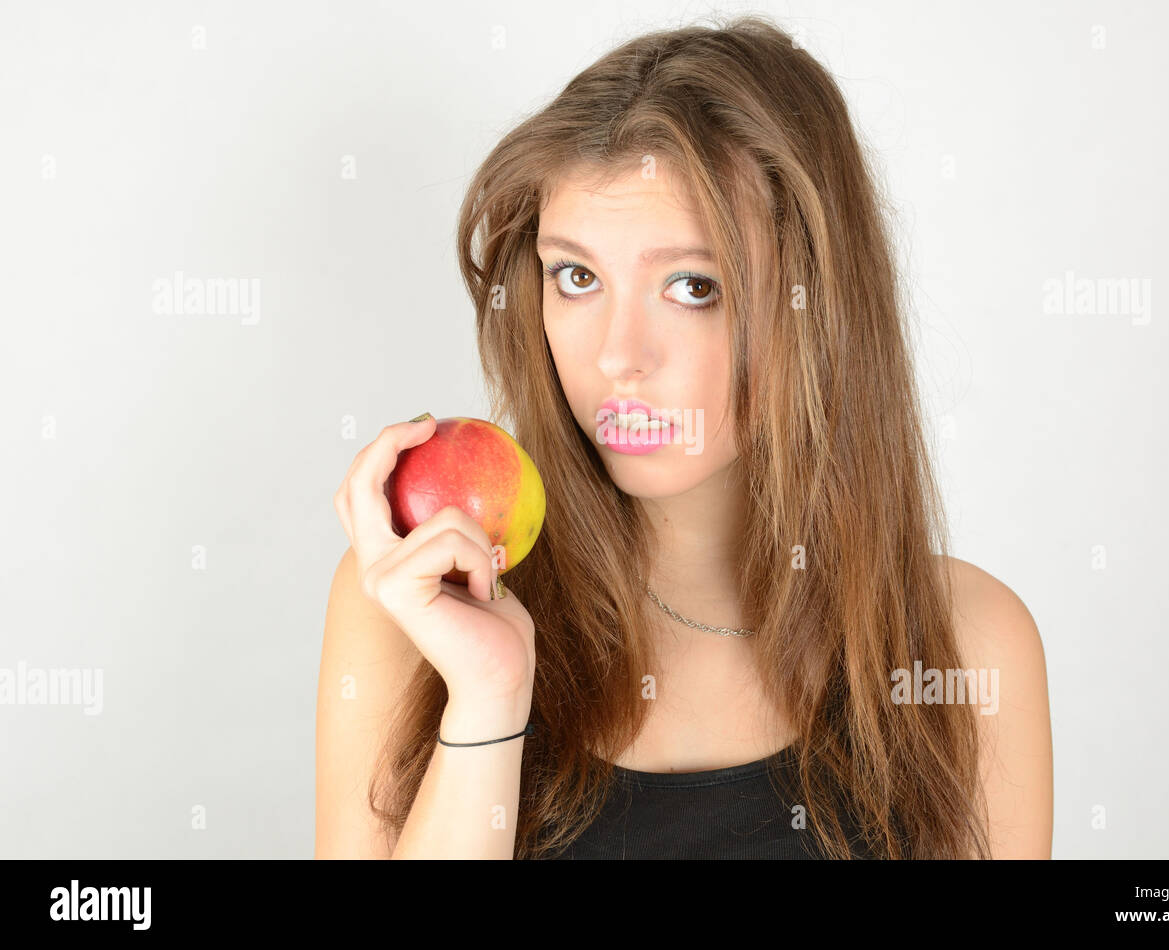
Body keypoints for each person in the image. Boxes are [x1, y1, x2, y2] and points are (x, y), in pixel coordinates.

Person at [316, 15, 1052, 860]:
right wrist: (485, 701)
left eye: (693, 285)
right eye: (578, 276)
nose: (620, 356)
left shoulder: (966, 645)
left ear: (816, 307)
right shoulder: (416, 598)